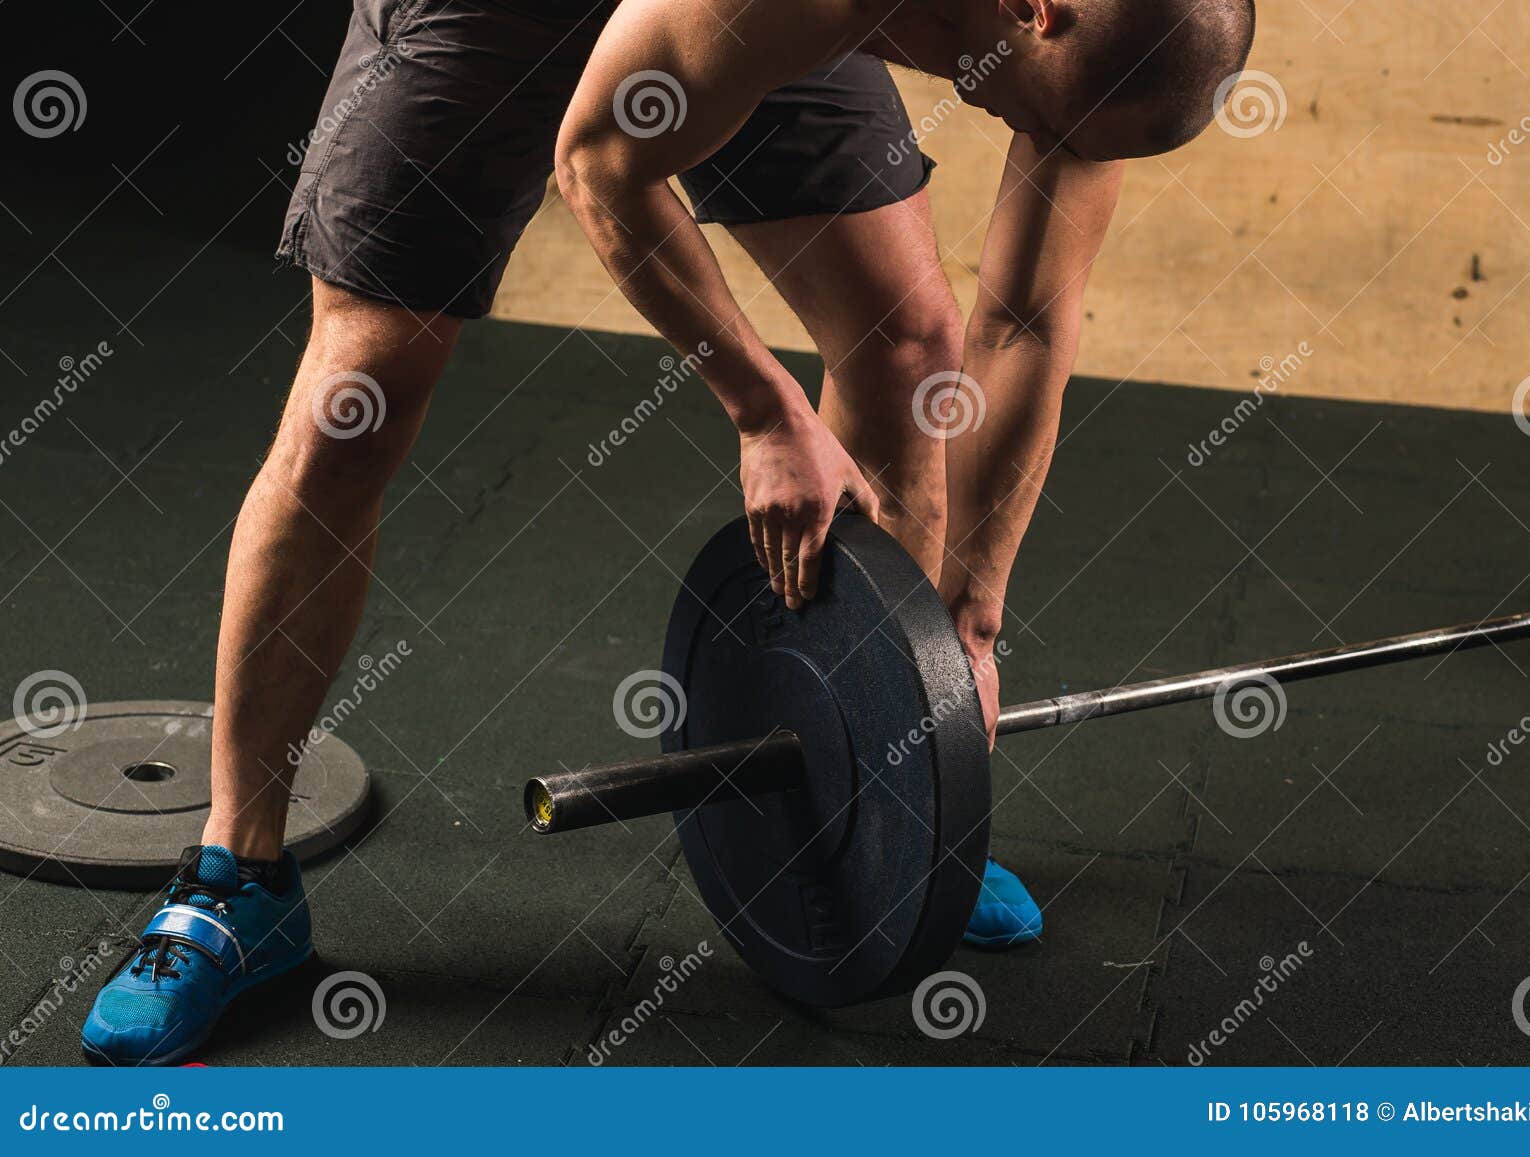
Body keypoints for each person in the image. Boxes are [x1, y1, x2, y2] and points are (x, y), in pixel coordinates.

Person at [82, 0, 1254, 1065]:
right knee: (357, 396)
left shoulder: (1108, 50)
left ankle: (884, 791)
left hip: (724, 30)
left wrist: (964, 635)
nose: (1059, 142)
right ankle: (239, 876)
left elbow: (1025, 320)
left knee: (905, 348)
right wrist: (764, 410)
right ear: (1029, 13)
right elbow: (601, 163)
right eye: (1058, 119)